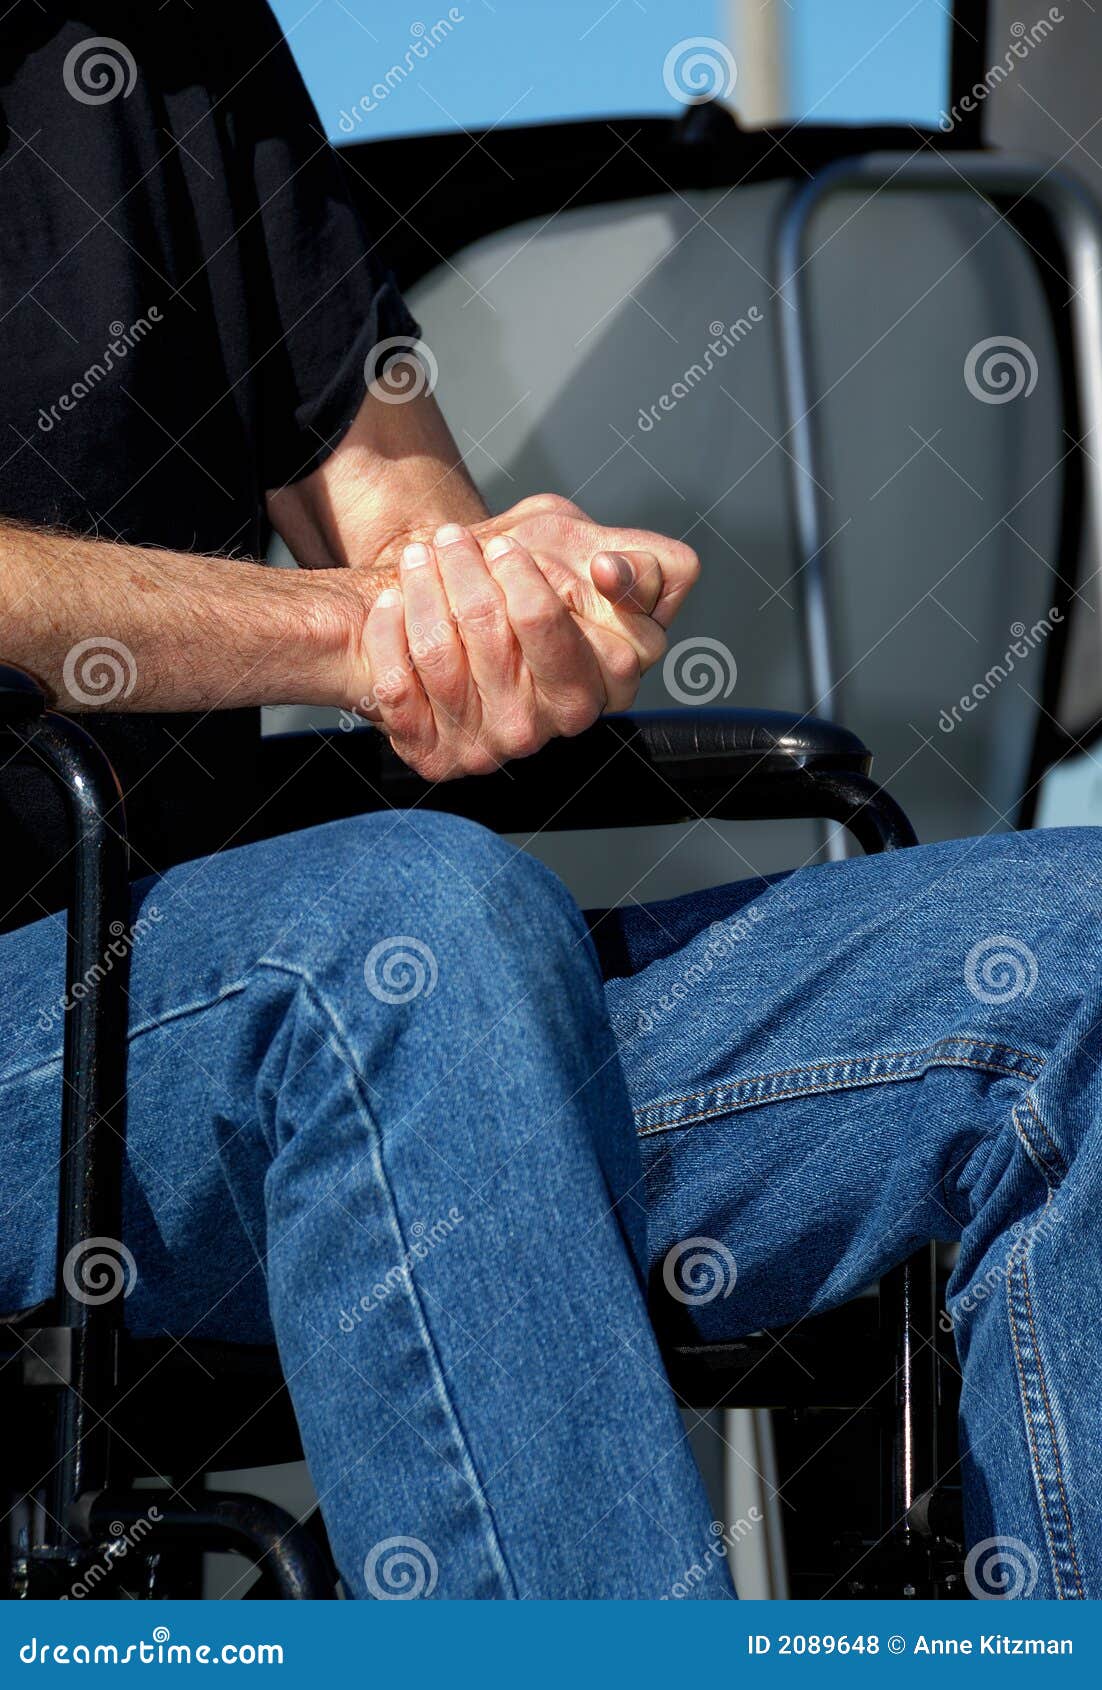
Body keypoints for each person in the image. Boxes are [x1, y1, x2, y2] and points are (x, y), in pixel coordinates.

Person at [0, 4, 1096, 1602]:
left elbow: (416, 548)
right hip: (172, 1018)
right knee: (399, 935)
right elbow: (345, 622)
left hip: (264, 1028)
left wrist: (535, 605)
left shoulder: (187, 48)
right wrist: (351, 632)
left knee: (1067, 951)